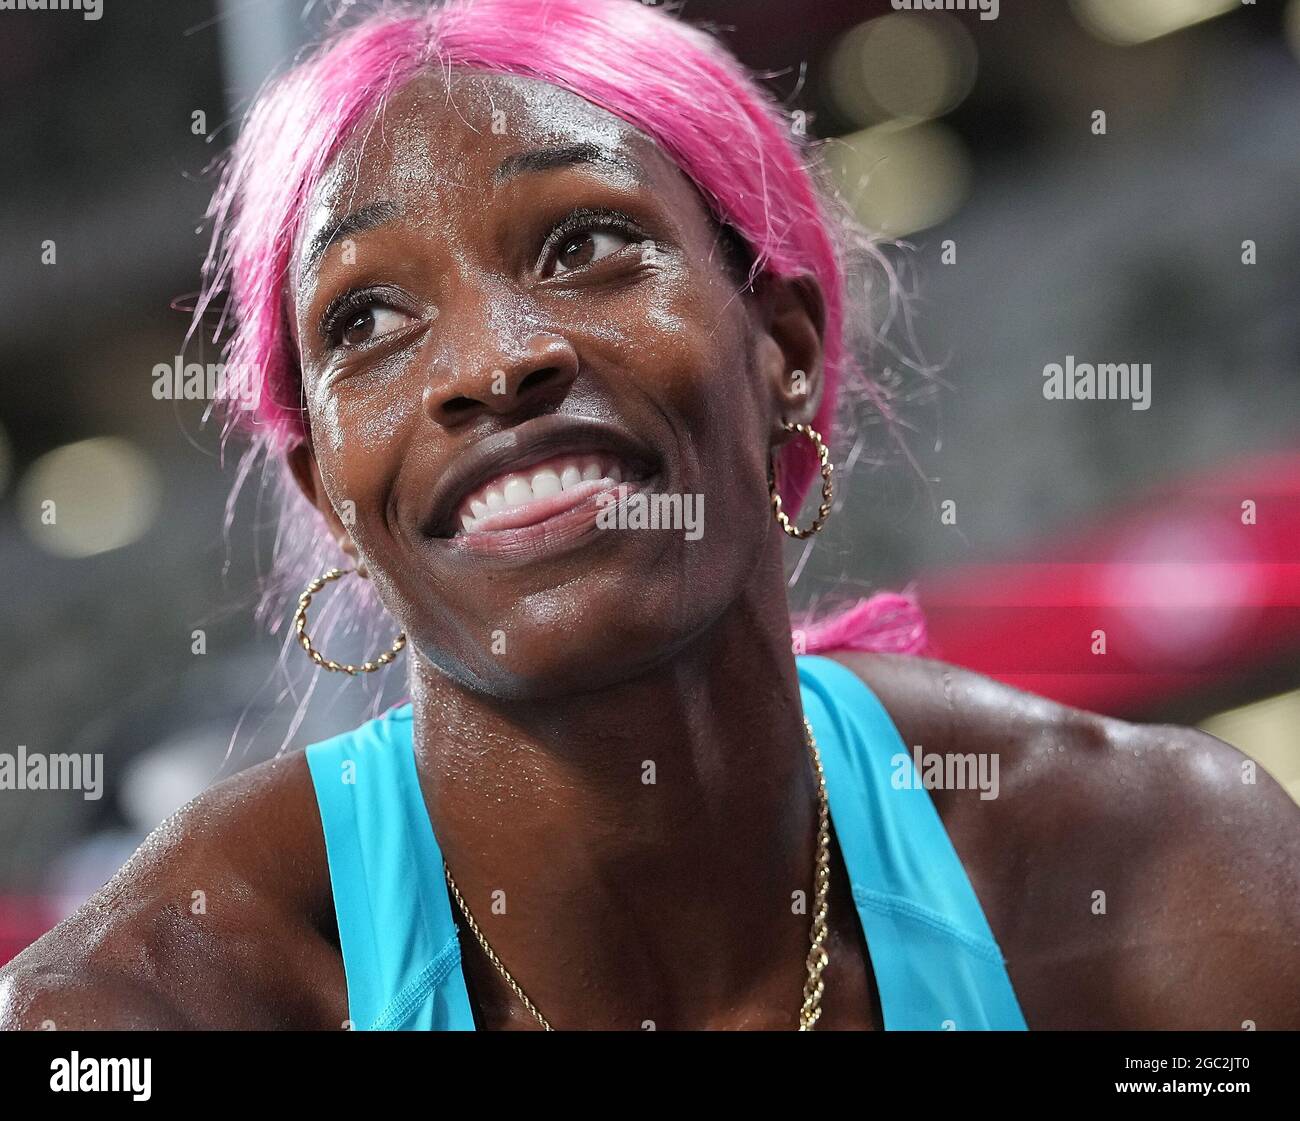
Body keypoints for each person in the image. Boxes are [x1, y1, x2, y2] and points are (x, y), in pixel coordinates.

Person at [2, 0, 1296, 1031]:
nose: (493, 361)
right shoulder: (152, 1006)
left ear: (781, 347)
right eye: (368, 320)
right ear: (327, 500)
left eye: (584, 244)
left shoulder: (1160, 872)